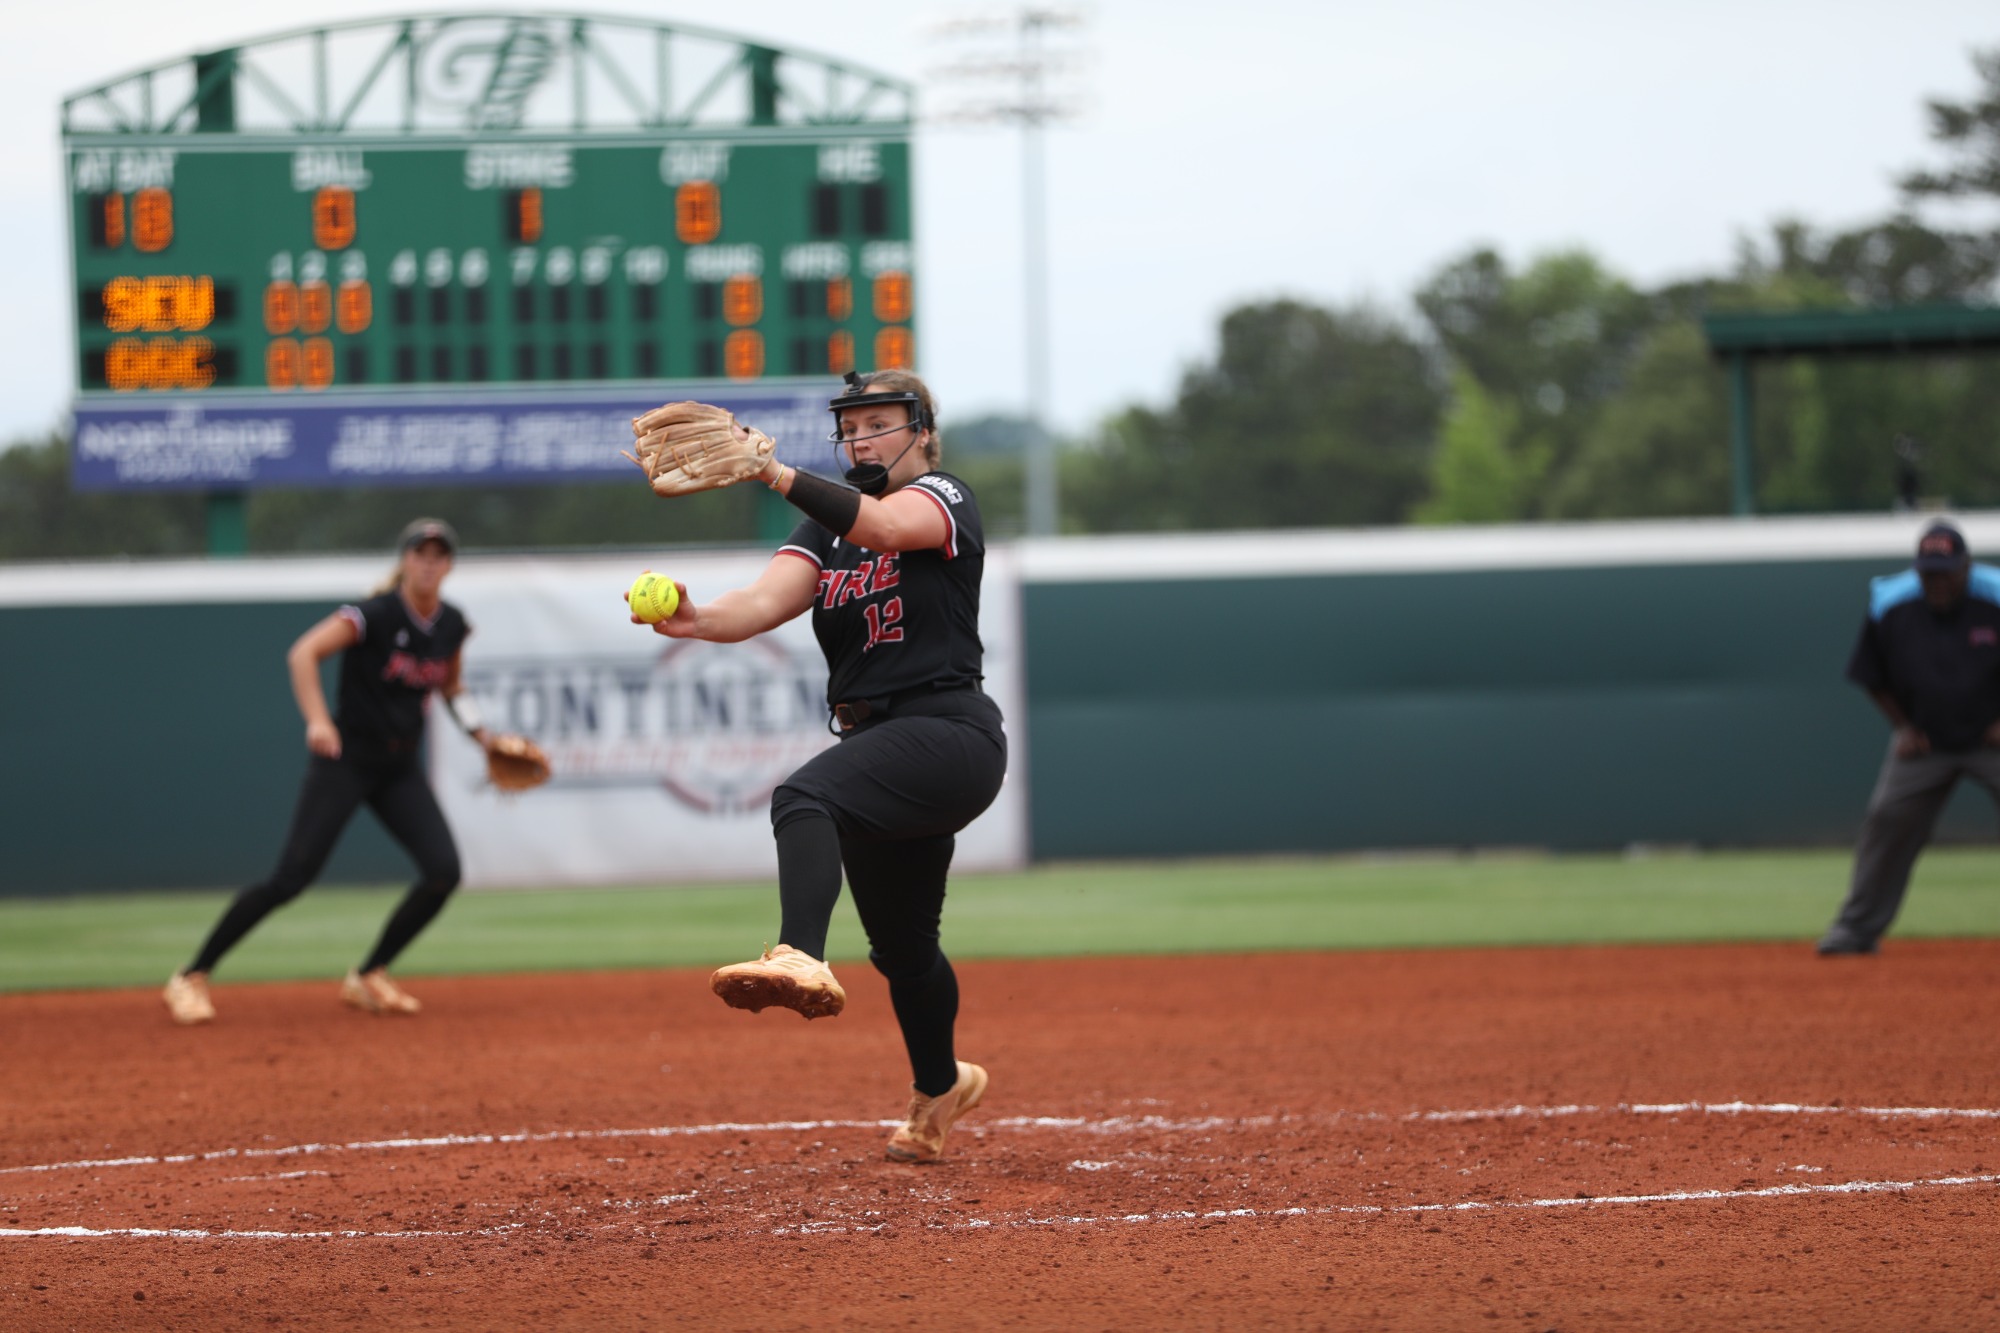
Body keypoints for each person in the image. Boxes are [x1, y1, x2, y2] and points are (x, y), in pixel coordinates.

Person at [636, 370, 1007, 1163]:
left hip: (950, 731)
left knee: (805, 795)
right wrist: (696, 618)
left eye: (880, 423)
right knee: (903, 949)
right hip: (881, 742)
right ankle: (940, 1088)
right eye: (851, 427)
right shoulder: (826, 529)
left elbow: (886, 528)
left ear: (922, 431)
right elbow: (760, 603)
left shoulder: (944, 496)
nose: (862, 439)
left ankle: (798, 952)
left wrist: (773, 471)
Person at [162, 518, 490, 1023]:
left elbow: (450, 686)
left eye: (438, 555)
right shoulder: (373, 614)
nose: (428, 563)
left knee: (443, 872)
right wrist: (318, 720)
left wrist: (483, 736)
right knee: (290, 879)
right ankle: (191, 976)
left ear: (449, 565)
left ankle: (370, 975)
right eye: (420, 553)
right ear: (405, 560)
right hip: (348, 759)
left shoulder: (452, 624)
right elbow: (304, 652)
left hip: (399, 765)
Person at [1819, 521, 2000, 956]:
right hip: (1925, 742)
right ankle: (1855, 930)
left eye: (1946, 572)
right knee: (1887, 819)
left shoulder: (1995, 596)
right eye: (1928, 573)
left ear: (1966, 567)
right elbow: (1872, 676)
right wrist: (1903, 726)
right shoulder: (1892, 602)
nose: (1937, 582)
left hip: (1992, 737)